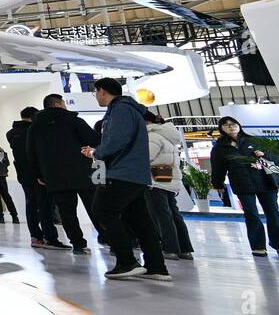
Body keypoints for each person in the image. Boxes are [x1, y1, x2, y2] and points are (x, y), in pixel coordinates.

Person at [83, 77, 170, 281]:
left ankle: (126, 261)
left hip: (122, 172)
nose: (96, 97)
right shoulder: (129, 109)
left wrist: (96, 152)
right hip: (135, 173)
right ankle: (156, 267)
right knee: (140, 220)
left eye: (95, 93)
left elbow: (117, 139)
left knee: (102, 209)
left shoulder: (120, 110)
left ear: (102, 91)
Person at [24, 94, 102, 254]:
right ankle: (110, 239)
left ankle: (78, 244)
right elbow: (94, 139)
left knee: (67, 213)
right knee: (95, 207)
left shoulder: (35, 127)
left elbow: (31, 153)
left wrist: (40, 174)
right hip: (81, 171)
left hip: (54, 176)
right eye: (64, 103)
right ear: (58, 104)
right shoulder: (73, 120)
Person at [211, 115, 279, 257]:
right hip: (242, 184)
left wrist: (264, 155)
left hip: (265, 181)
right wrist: (218, 184)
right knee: (251, 215)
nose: (231, 126)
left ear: (239, 125)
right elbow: (218, 168)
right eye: (226, 125)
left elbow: (278, 158)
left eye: (233, 123)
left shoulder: (254, 140)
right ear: (221, 129)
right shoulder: (219, 148)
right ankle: (258, 246)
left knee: (273, 213)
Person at [7, 106, 66, 249]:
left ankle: (35, 237)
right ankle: (50, 238)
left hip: (23, 175)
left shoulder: (11, 133)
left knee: (31, 205)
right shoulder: (35, 130)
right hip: (39, 175)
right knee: (45, 206)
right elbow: (38, 154)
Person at [144, 111, 196, 260]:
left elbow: (146, 157)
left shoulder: (152, 135)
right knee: (174, 214)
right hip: (169, 179)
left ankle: (170, 249)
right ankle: (184, 249)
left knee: (162, 216)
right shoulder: (169, 135)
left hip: (155, 181)